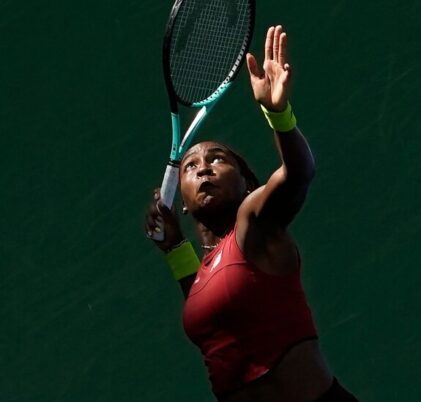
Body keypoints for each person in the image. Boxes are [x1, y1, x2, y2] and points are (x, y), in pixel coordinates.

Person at [144, 26, 358, 402]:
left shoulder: (254, 225)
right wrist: (175, 247)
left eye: (217, 159)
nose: (203, 168)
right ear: (183, 199)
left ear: (248, 184)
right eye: (190, 166)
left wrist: (279, 115)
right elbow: (212, 306)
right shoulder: (205, 272)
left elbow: (299, 174)